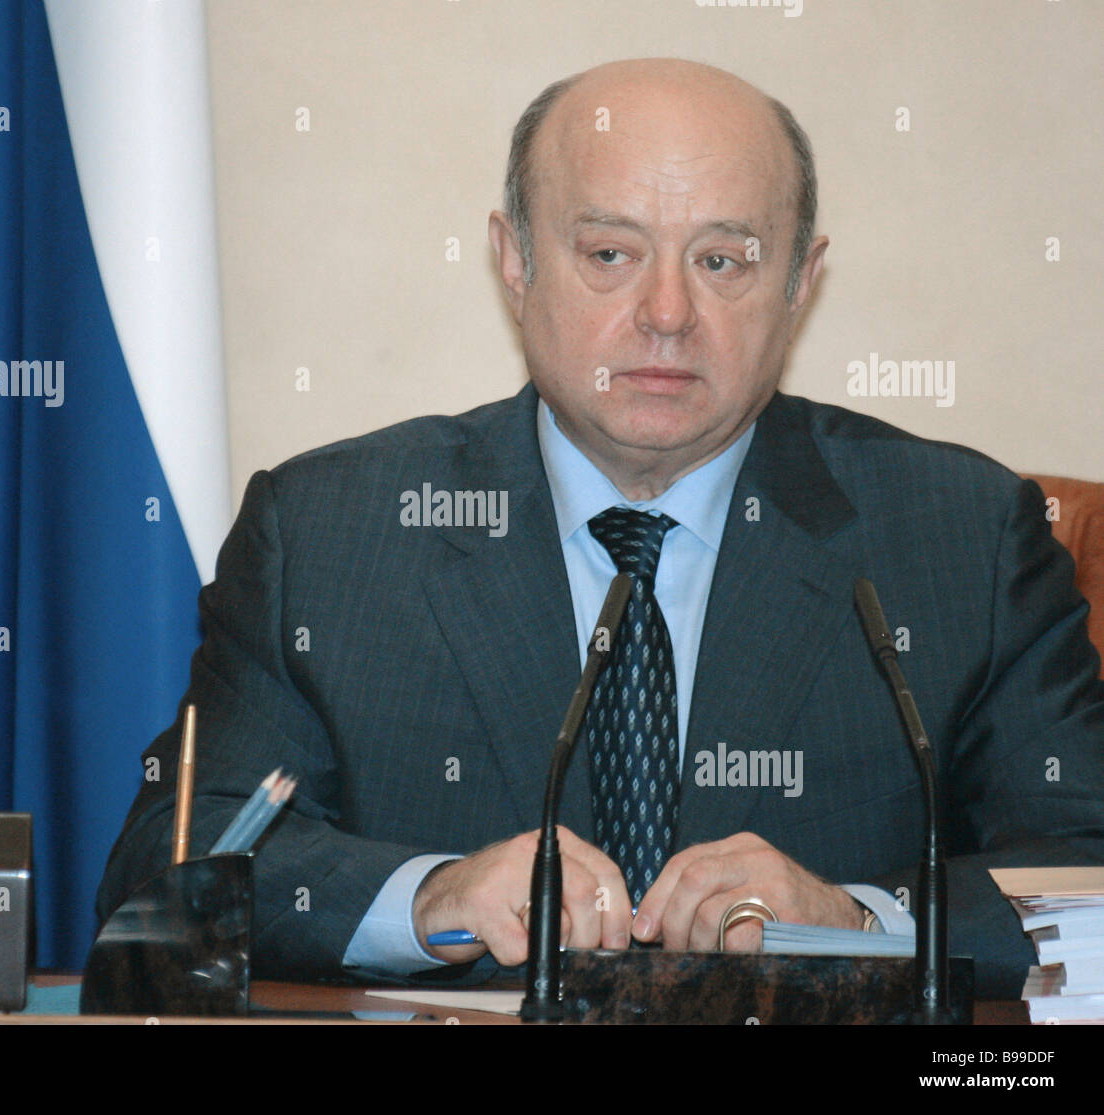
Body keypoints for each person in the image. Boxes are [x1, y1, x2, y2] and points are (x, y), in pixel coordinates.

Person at [95, 59, 1104, 1000]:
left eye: (723, 259)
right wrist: (429, 897)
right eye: (609, 253)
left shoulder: (960, 536)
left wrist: (857, 921)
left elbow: (1087, 878)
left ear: (801, 282)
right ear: (513, 262)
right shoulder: (330, 532)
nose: (666, 311)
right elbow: (174, 862)